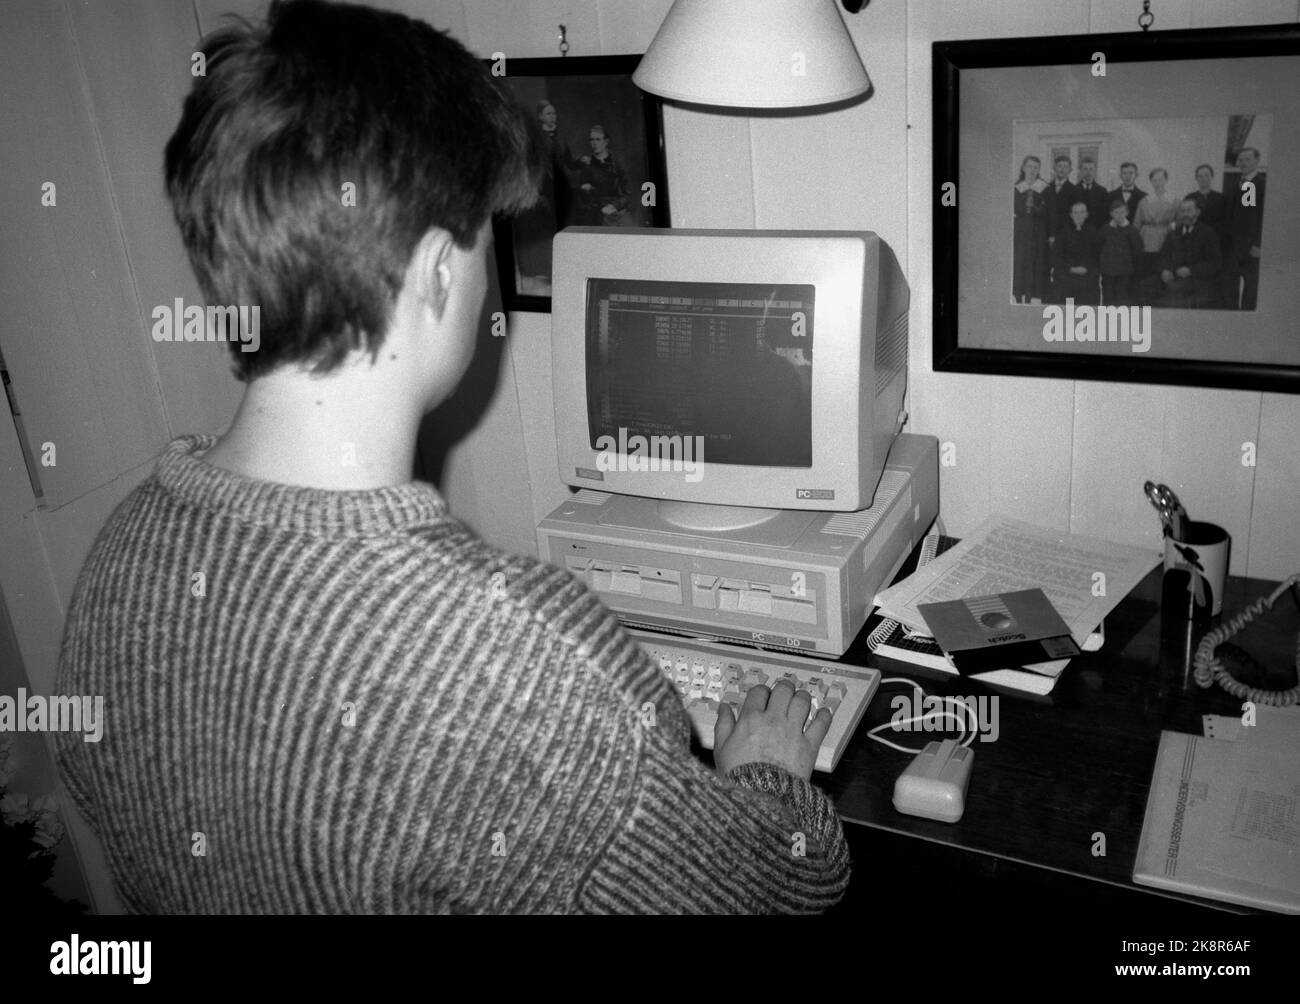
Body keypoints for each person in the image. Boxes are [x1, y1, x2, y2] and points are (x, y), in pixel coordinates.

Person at [53, 0, 849, 915]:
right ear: (438, 270)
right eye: (484, 240)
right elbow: (784, 887)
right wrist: (769, 779)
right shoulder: (515, 661)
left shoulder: (118, 565)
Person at [512, 99, 581, 284]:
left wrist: (582, 162)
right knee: (545, 235)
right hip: (543, 191)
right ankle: (544, 273)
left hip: (560, 191)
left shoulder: (560, 137)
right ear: (541, 116)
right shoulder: (535, 139)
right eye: (549, 113)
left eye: (554, 113)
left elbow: (568, 162)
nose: (553, 116)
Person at [1222, 146, 1266, 310]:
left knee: (1250, 290)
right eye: (1241, 160)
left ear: (1257, 161)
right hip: (1232, 247)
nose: (1243, 163)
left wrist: (1258, 244)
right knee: (1230, 288)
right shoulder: (1235, 185)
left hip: (1250, 248)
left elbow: (1259, 217)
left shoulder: (1259, 185)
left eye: (1247, 159)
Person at [1160, 198, 1222, 309]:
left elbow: (1215, 263)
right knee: (1147, 285)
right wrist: (1165, 269)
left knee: (1175, 288)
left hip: (1198, 279)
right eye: (1182, 211)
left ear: (1197, 212)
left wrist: (1191, 270)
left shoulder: (1208, 233)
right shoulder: (1174, 233)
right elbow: (1164, 255)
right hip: (1175, 275)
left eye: (1189, 210)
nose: (1185, 214)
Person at [1132, 168, 1178, 303]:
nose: (1158, 183)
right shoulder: (1144, 201)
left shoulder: (1174, 200)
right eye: (1154, 180)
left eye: (1160, 179)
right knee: (1147, 274)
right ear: (1151, 182)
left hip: (1166, 239)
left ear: (1166, 180)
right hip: (1147, 241)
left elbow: (1179, 221)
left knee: (1163, 274)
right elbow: (1136, 223)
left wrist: (1171, 226)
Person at [576, 124, 631, 226]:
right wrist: (586, 190)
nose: (595, 143)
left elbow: (628, 194)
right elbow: (583, 200)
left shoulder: (617, 164)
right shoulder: (587, 166)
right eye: (592, 140)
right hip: (596, 213)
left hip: (617, 210)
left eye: (598, 139)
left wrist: (615, 206)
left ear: (606, 141)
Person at [1012, 155, 1049, 303]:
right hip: (1021, 230)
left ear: (1039, 170)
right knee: (1020, 261)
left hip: (1037, 231)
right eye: (1030, 166)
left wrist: (1035, 209)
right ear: (1023, 168)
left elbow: (1048, 211)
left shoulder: (1044, 187)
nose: (1032, 170)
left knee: (1034, 262)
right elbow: (1014, 208)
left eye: (1036, 167)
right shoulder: (1017, 187)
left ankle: (1031, 296)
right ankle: (1018, 295)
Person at [1051, 201, 1100, 305]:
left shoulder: (1094, 233)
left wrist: (1086, 268)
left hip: (1087, 274)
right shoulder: (1063, 232)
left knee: (1088, 295)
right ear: (1071, 215)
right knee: (1066, 298)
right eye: (1076, 212)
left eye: (1082, 212)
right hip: (1067, 273)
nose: (1079, 215)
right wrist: (1071, 269)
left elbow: (1097, 256)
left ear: (1087, 214)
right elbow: (1056, 256)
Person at [1098, 198, 1143, 306]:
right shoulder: (1105, 230)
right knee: (1108, 297)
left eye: (1122, 212)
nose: (1119, 215)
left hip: (1125, 271)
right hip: (1108, 271)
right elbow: (1099, 248)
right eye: (1116, 212)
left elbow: (1137, 250)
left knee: (1122, 297)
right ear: (1111, 214)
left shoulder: (1132, 230)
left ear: (1127, 212)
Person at [1184, 163, 1227, 253]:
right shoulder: (1190, 197)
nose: (1203, 179)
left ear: (1212, 177)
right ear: (1196, 178)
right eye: (1200, 176)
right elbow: (1185, 219)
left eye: (1206, 175)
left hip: (1215, 239)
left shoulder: (1221, 198)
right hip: (1194, 239)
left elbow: (1224, 221)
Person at [1075, 156, 1110, 230]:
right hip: (1077, 231)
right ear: (1080, 171)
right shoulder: (1073, 190)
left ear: (1095, 171)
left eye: (1091, 169)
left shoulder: (1102, 191)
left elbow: (1106, 215)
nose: (1088, 172)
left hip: (1096, 232)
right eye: (1085, 169)